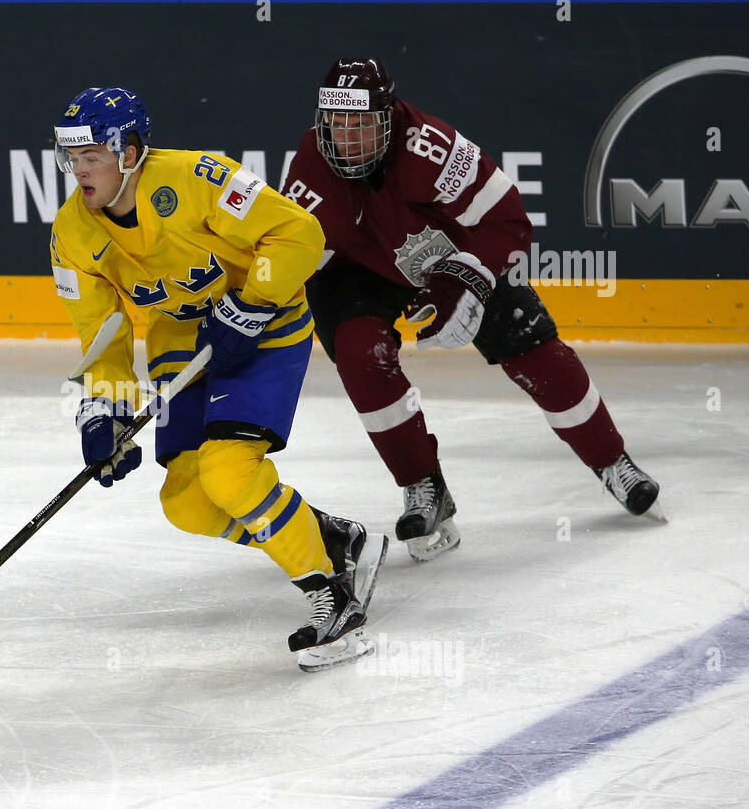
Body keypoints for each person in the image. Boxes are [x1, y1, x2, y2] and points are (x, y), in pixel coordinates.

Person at [49, 86, 387, 671]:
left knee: (229, 472)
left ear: (129, 153)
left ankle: (330, 597)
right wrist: (103, 411)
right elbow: (102, 336)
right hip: (182, 339)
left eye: (92, 157)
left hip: (267, 323)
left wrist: (253, 304)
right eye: (71, 158)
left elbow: (300, 233)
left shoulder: (198, 178)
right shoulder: (72, 233)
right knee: (186, 501)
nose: (79, 171)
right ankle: (324, 534)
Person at [281, 58, 663, 561]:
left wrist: (465, 276)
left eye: (362, 124)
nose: (347, 139)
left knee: (533, 350)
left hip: (451, 255)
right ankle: (424, 486)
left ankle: (612, 461)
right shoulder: (311, 157)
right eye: (338, 123)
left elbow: (508, 220)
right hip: (357, 270)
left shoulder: (430, 147)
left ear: (390, 118)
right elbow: (291, 250)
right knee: (358, 355)